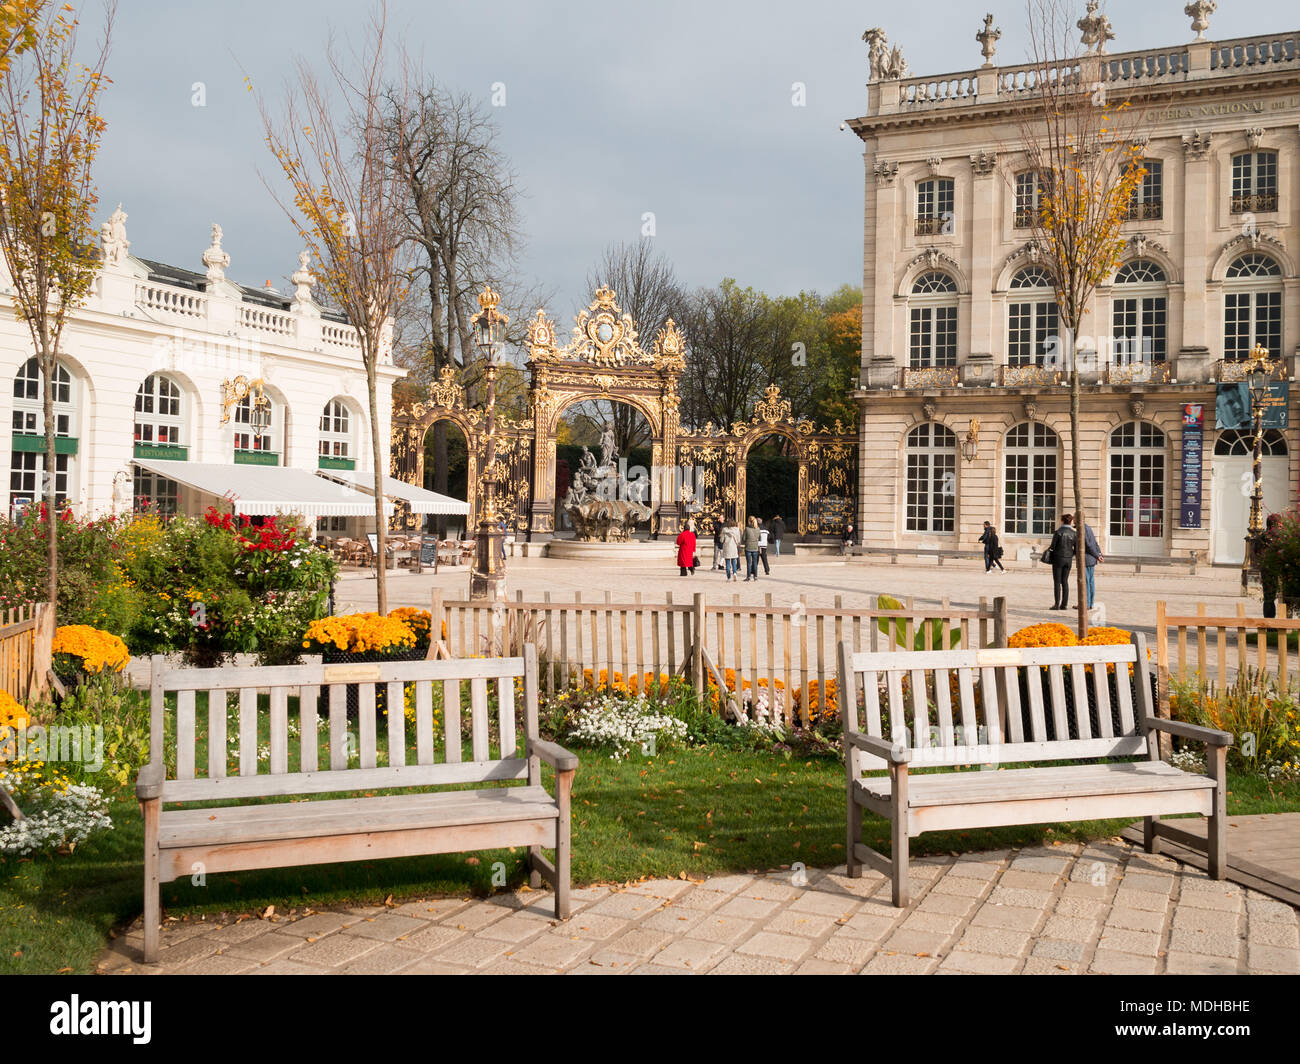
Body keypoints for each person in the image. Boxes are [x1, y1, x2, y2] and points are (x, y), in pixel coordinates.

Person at [1047, 513, 1078, 610]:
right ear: (1071, 521)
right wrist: (1070, 554)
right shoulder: (1074, 533)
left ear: (1062, 521)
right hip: (1068, 559)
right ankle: (1064, 604)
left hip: (1058, 558)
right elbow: (1076, 549)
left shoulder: (1058, 532)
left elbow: (1053, 547)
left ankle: (1056, 604)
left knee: (1057, 581)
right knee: (1065, 581)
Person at [1262, 512, 1283, 618]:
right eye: (1280, 523)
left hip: (1267, 570)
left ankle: (1269, 623)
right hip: (1277, 569)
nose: (1281, 525)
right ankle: (1276, 624)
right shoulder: (1279, 536)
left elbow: (1256, 553)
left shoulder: (1262, 536)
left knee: (1268, 598)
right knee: (1276, 597)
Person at [1082, 521, 1103, 609]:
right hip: (1091, 559)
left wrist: (1098, 556)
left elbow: (1089, 545)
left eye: (1075, 518)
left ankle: (1087, 604)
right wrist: (1099, 554)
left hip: (1087, 559)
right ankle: (1090, 603)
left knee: (1086, 582)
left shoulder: (1083, 529)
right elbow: (1095, 543)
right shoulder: (1088, 527)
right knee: (1090, 582)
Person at [742, 516, 762, 581]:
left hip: (748, 547)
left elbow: (743, 538)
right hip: (755, 547)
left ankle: (748, 577)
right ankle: (755, 576)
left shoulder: (747, 529)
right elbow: (760, 538)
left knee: (749, 563)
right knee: (755, 563)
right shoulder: (758, 529)